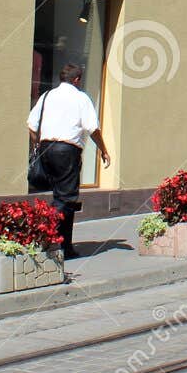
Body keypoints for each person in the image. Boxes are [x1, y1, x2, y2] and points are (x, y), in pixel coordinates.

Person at [27, 63, 111, 259]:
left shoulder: (47, 95)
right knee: (67, 198)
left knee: (61, 196)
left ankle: (65, 245)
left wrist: (37, 145)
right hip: (67, 150)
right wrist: (103, 150)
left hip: (46, 148)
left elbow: (31, 125)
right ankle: (45, 232)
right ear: (76, 80)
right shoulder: (81, 98)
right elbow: (92, 128)